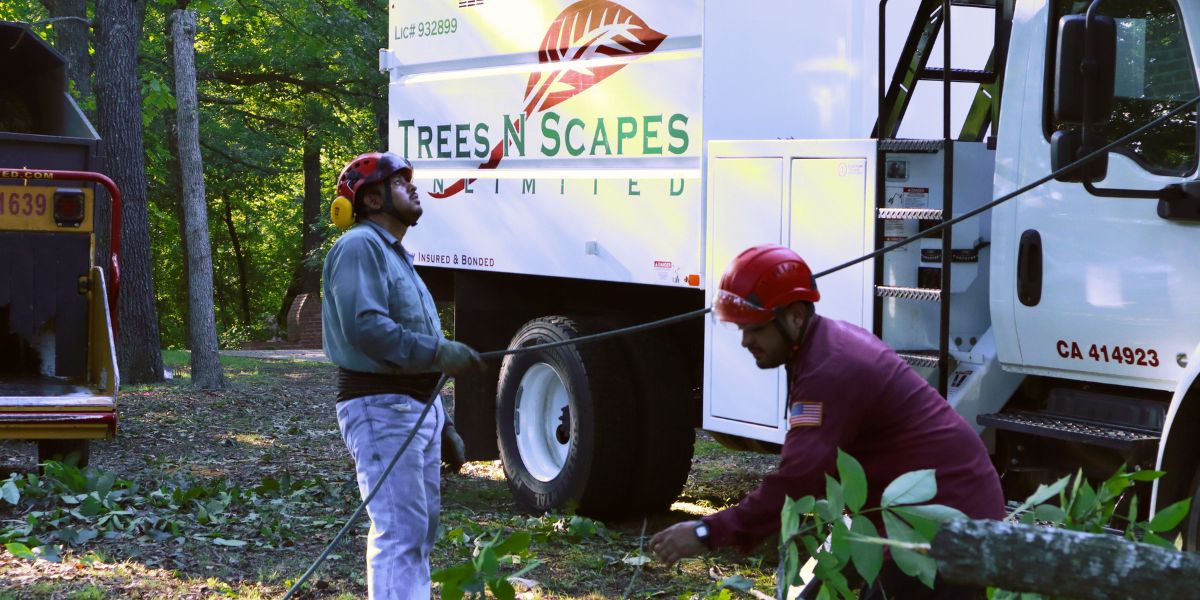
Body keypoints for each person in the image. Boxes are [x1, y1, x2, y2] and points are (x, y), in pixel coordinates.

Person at [648, 244, 1004, 599]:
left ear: (795, 316)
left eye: (755, 328)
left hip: (942, 524)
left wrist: (706, 532)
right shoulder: (822, 347)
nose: (745, 340)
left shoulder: (829, 370)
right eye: (741, 328)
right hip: (909, 514)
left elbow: (800, 480)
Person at [322, 151, 484, 599]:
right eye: (398, 182)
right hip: (380, 406)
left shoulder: (395, 254)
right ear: (372, 200)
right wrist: (440, 351)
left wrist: (441, 422)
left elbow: (412, 337)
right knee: (399, 532)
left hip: (411, 408)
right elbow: (367, 329)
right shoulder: (359, 246)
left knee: (418, 530)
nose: (412, 187)